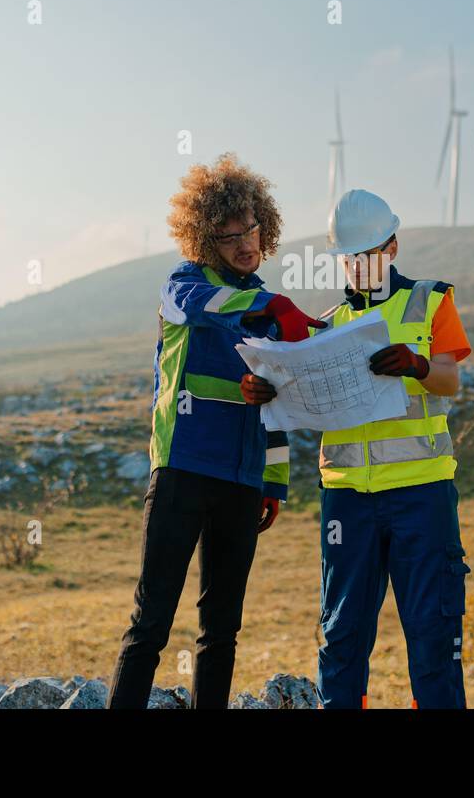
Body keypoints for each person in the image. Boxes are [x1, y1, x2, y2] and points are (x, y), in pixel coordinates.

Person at [106, 153, 325, 709]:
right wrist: (274, 303)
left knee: (222, 628)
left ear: (264, 224)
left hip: (242, 481)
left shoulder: (266, 308)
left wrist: (273, 483)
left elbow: (276, 402)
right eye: (228, 236)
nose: (244, 243)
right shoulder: (183, 287)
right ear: (204, 241)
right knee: (150, 622)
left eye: (250, 228)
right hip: (182, 470)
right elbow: (207, 307)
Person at [244, 188, 473, 708]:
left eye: (367, 254)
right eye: (348, 258)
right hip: (346, 500)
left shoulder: (431, 300)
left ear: (392, 247)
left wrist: (416, 364)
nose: (357, 266)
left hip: (422, 493)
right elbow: (302, 404)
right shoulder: (326, 325)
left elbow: (450, 381)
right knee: (341, 635)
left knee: (432, 635)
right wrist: (270, 391)